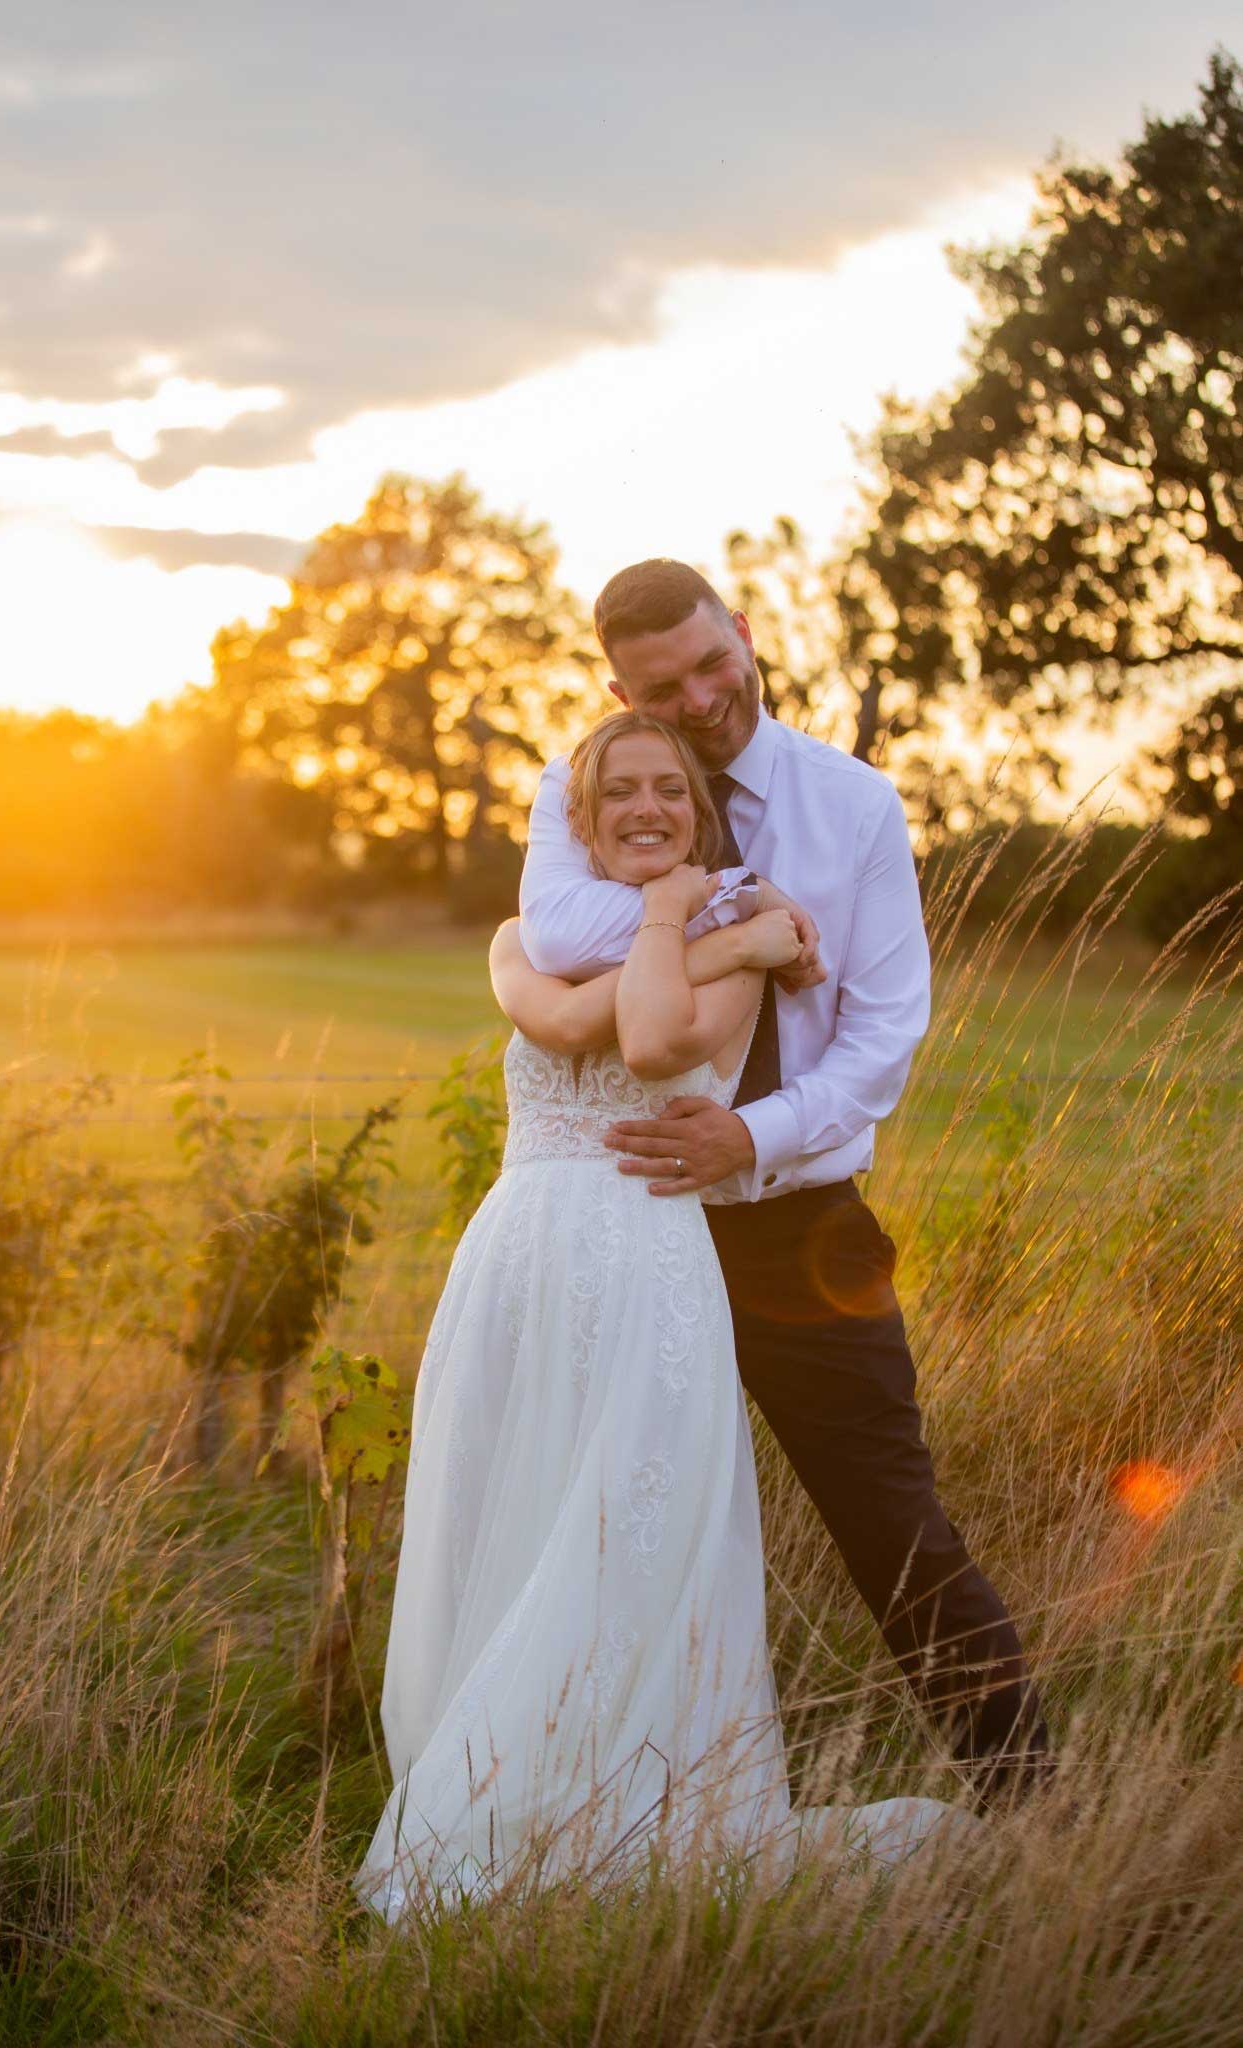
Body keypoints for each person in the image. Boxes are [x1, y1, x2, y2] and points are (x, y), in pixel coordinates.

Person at [355, 708, 970, 1924]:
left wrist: (686, 924)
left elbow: (642, 1039)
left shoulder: (740, 957)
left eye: (671, 792)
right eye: (620, 792)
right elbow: (558, 1020)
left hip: (646, 1262)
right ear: (579, 821)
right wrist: (700, 924)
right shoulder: (541, 937)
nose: (647, 808)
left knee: (623, 1530)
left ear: (700, 815)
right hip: (520, 1261)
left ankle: (600, 1803)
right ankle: (494, 1782)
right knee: (511, 1512)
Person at [509, 557, 1050, 1810]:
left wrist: (747, 1136)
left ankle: (1034, 1804)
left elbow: (882, 1035)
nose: (702, 700)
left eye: (715, 663)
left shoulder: (853, 804)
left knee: (893, 1524)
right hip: (630, 1224)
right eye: (663, 688)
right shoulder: (592, 785)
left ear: (745, 631)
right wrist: (748, 914)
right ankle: (589, 1808)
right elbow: (553, 935)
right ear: (619, 693)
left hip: (798, 1228)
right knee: (609, 1527)